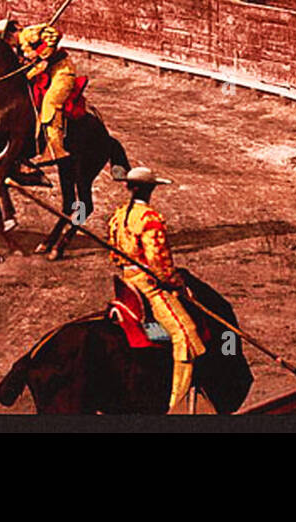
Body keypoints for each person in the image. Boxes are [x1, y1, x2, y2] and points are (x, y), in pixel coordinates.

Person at [108, 166, 204, 411]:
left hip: (126, 282)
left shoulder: (118, 216)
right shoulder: (149, 218)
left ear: (129, 188)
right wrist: (175, 283)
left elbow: (115, 257)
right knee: (186, 334)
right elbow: (159, 265)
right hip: (147, 286)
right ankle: (177, 403)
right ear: (151, 189)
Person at [5, 20, 77, 162]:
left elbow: (54, 34)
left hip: (62, 72)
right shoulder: (19, 46)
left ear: (12, 33)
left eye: (7, 37)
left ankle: (56, 148)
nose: (7, 42)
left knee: (50, 102)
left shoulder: (28, 33)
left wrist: (42, 53)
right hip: (45, 73)